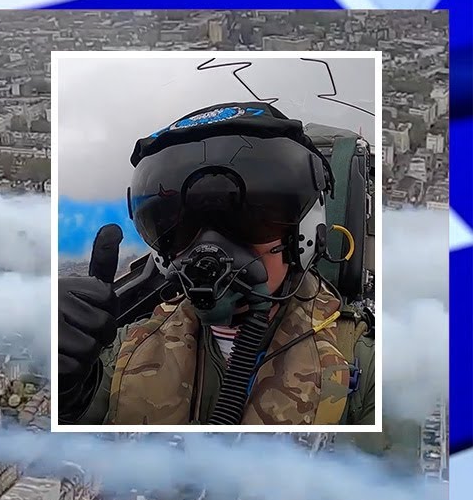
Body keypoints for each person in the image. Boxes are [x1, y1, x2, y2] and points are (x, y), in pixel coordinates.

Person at [57, 102, 375, 427]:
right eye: (182, 226)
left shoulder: (362, 366)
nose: (211, 246)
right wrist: (66, 387)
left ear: (304, 232)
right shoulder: (128, 349)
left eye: (252, 216)